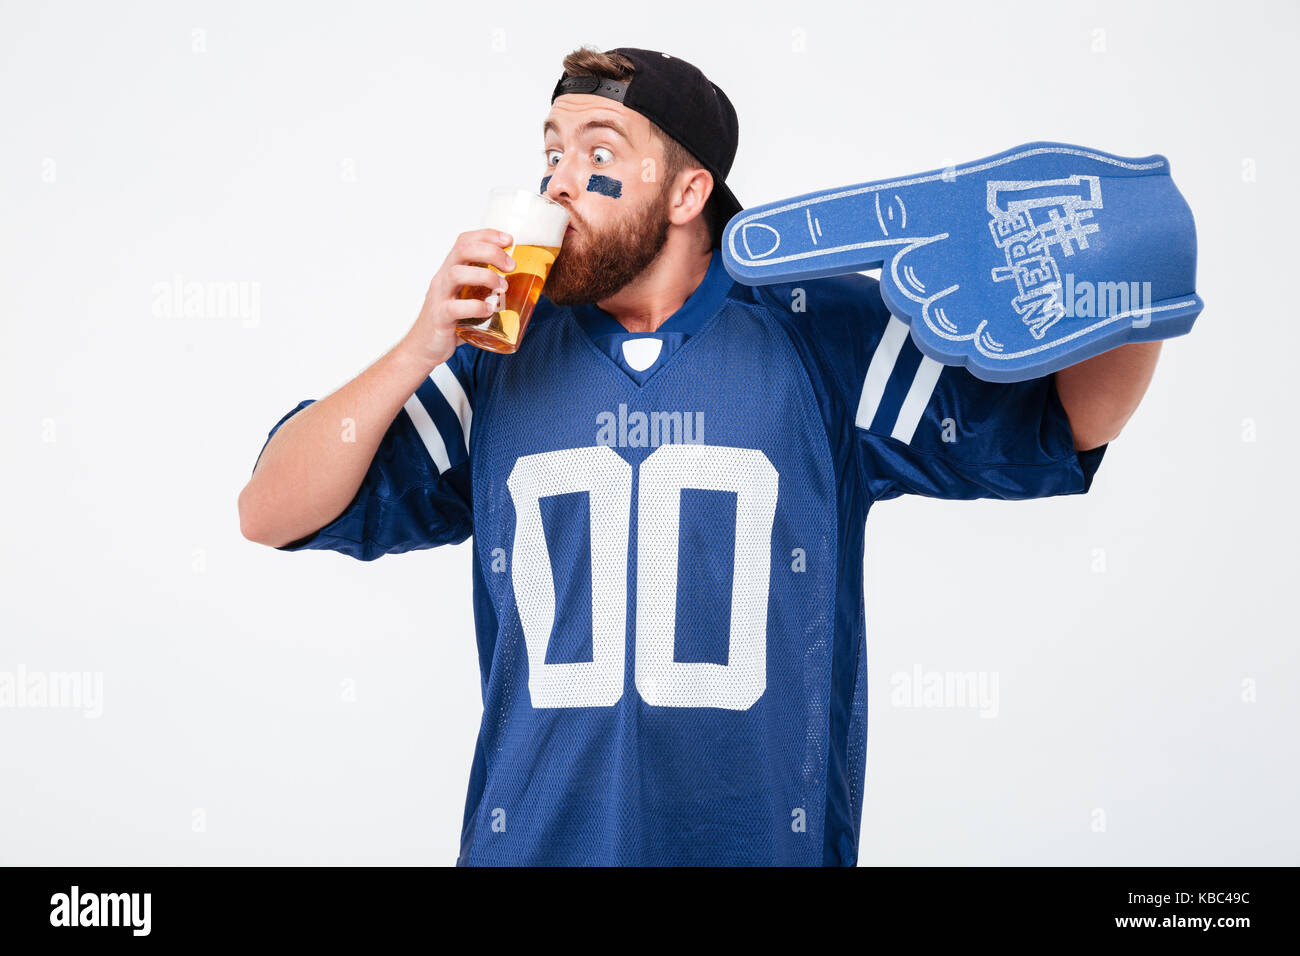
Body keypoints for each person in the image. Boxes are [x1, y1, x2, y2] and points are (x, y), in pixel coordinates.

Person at [237, 45, 1161, 866]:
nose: (559, 180)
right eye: (551, 151)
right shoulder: (493, 360)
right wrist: (418, 348)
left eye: (599, 154)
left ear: (688, 193)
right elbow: (271, 510)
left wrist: (1136, 285)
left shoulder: (819, 337)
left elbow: (1068, 422)